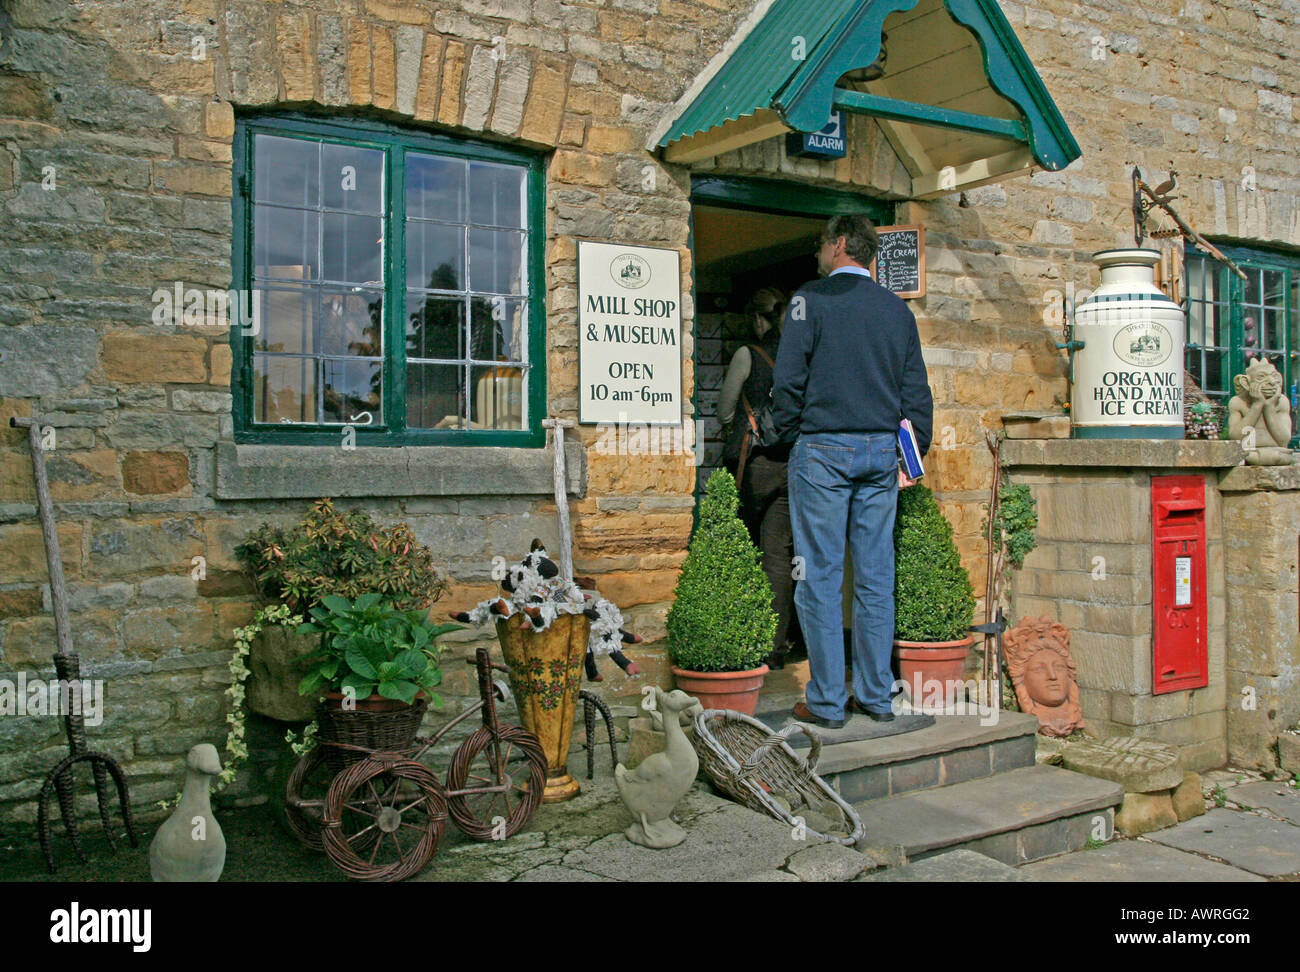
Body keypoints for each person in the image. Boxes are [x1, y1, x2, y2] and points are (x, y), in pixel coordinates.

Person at [771, 215, 933, 729]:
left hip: (822, 447)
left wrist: (793, 434)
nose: (819, 253)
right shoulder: (896, 310)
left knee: (818, 577)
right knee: (875, 577)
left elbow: (787, 379)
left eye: (822, 243)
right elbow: (917, 393)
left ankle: (824, 704)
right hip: (880, 452)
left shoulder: (807, 300)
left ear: (839, 245)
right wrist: (913, 453)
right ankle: (876, 696)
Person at [719, 287, 798, 670]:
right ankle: (776, 646)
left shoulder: (748, 354)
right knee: (777, 556)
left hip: (753, 466)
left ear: (756, 319)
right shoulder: (802, 356)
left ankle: (742, 638)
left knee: (740, 549)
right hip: (793, 464)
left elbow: (723, 409)